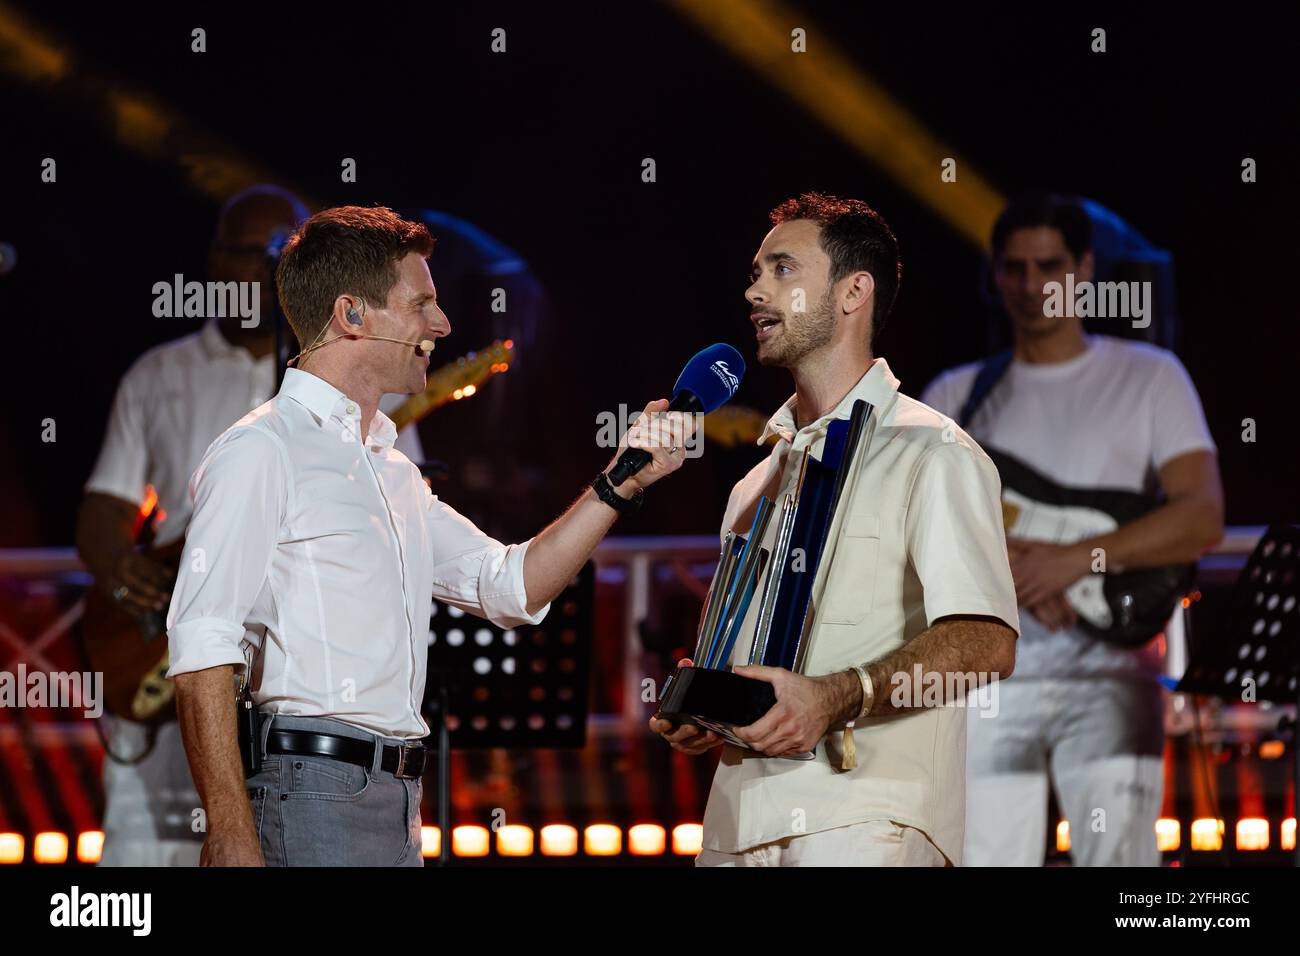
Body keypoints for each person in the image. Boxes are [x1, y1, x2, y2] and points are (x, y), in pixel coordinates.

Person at [165, 205, 693, 866]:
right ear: (351, 314)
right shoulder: (262, 449)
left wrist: (620, 484)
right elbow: (200, 645)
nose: (441, 325)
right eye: (422, 305)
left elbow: (509, 587)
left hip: (396, 800)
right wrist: (229, 830)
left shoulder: (391, 469)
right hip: (309, 793)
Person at [651, 192, 1019, 866]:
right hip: (734, 824)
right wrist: (703, 702)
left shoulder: (932, 451)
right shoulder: (753, 483)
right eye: (756, 272)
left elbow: (986, 643)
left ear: (854, 292)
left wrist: (835, 697)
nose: (754, 289)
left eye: (782, 269)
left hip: (866, 817)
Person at [73, 185, 421, 866]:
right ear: (213, 260)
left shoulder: (353, 383)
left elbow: (404, 522)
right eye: (250, 253)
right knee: (153, 853)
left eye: (283, 252)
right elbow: (102, 511)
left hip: (296, 699)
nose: (265, 270)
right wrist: (126, 571)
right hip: (182, 656)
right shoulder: (160, 374)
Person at [920, 193, 1224, 866]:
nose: (1032, 287)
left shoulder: (1150, 377)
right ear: (995, 276)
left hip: (1113, 674)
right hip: (990, 678)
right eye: (1015, 269)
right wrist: (1013, 576)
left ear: (1085, 268)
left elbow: (1201, 515)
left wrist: (1071, 562)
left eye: (1049, 266)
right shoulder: (954, 395)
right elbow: (918, 526)